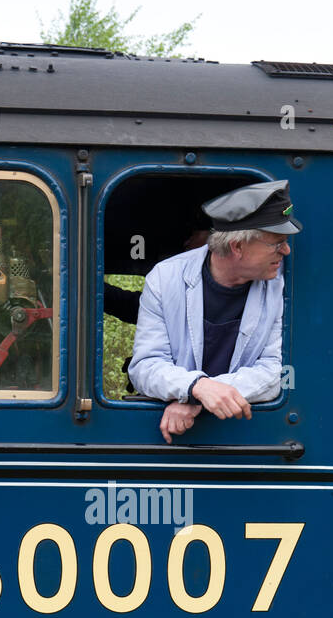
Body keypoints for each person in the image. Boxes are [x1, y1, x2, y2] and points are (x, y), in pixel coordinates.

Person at [128, 180, 301, 442]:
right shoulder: (165, 279)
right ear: (238, 246)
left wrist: (201, 396)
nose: (285, 251)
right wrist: (197, 386)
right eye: (276, 243)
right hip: (174, 441)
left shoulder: (283, 286)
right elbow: (145, 366)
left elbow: (275, 372)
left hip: (248, 438)